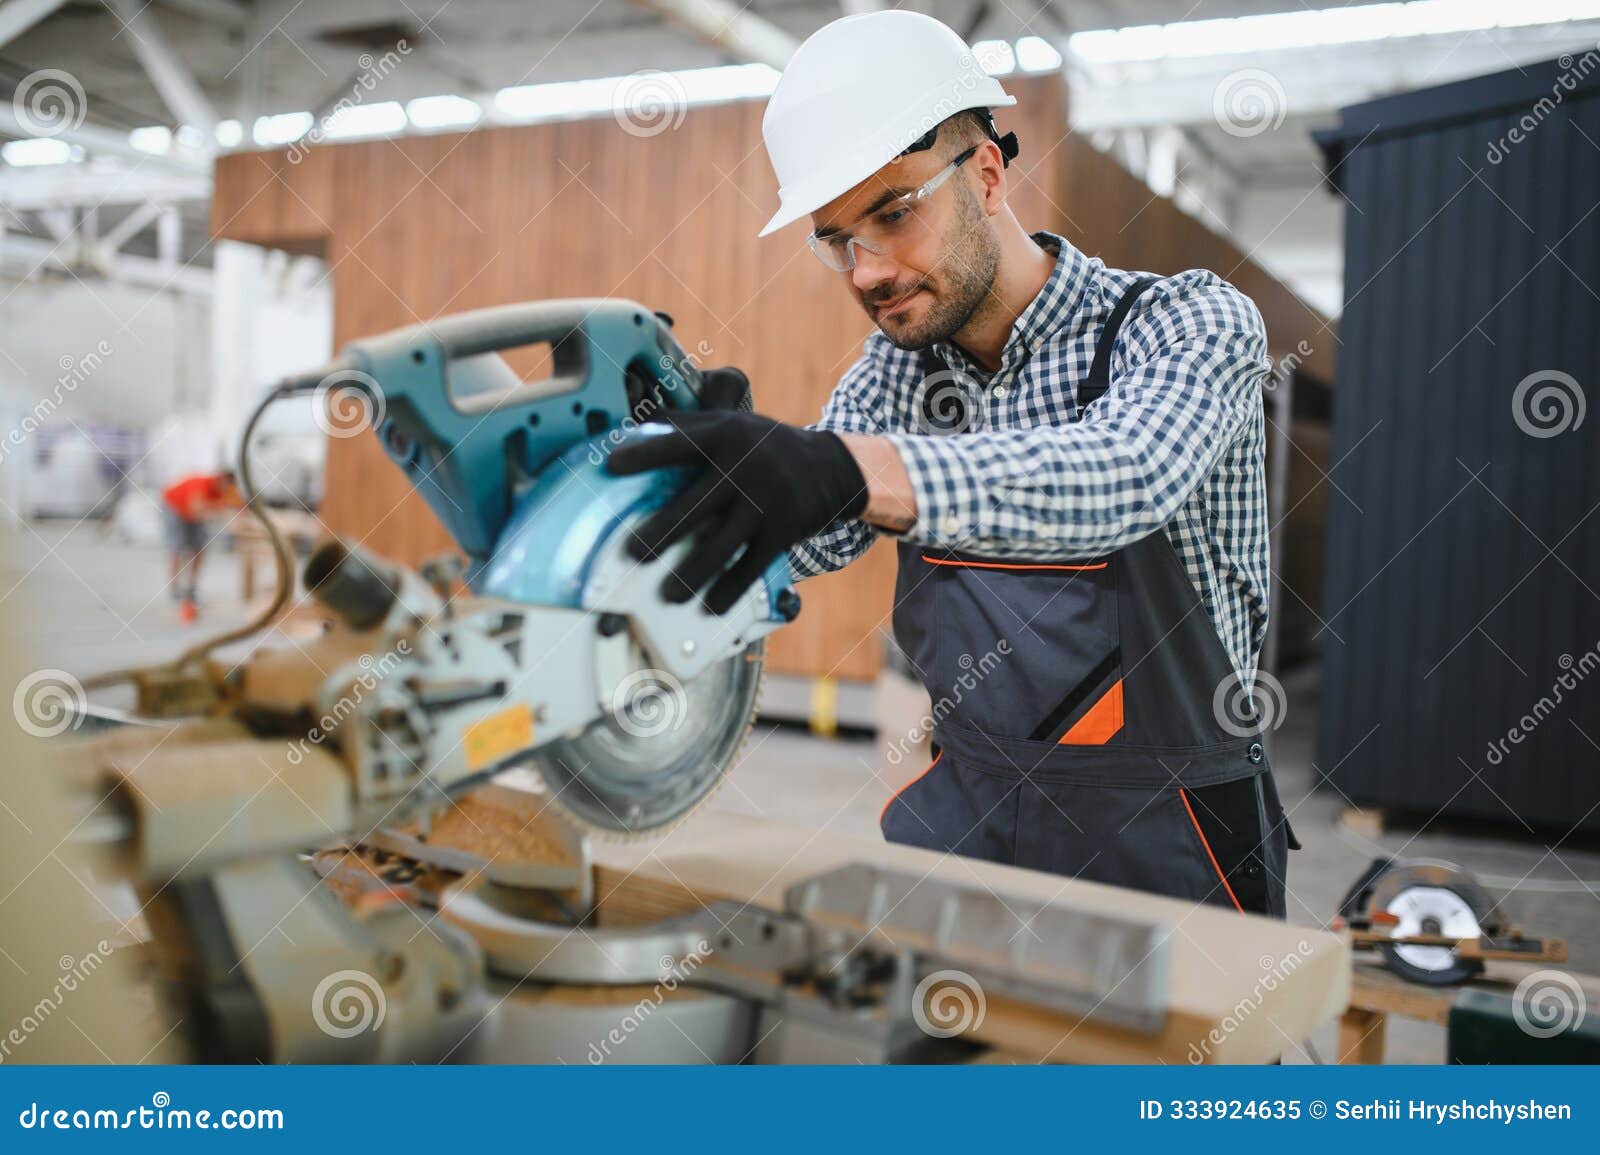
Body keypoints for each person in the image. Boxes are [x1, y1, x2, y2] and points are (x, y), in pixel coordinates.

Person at [608, 11, 1297, 917]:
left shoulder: (1188, 322)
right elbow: (813, 530)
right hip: (966, 834)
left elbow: (1123, 474)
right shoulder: (897, 371)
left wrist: (848, 470)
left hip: (1172, 853)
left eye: (893, 213)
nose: (867, 271)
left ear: (987, 174)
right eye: (838, 239)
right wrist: (708, 482)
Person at [160, 469, 240, 623]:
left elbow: (238, 506)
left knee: (199, 549)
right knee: (177, 548)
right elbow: (195, 510)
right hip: (174, 507)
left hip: (196, 513)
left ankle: (191, 588)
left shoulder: (227, 490)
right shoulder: (202, 484)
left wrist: (235, 515)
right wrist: (220, 513)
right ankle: (175, 589)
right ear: (220, 479)